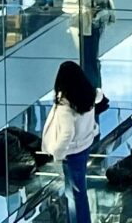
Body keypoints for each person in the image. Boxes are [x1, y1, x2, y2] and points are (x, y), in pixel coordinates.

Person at [39, 60, 104, 223]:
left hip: (72, 151)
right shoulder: (89, 94)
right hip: (84, 144)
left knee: (74, 193)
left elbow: (66, 134)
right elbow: (100, 96)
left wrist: (58, 154)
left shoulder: (66, 106)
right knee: (78, 190)